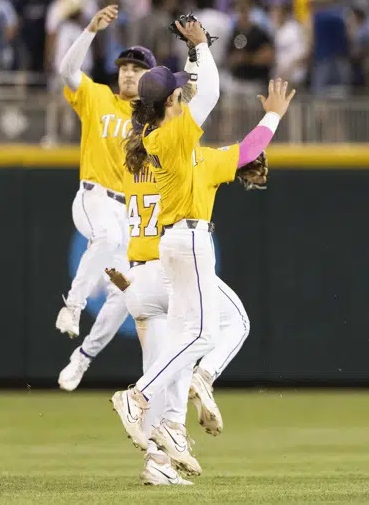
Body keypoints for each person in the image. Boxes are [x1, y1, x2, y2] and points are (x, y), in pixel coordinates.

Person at [111, 52, 293, 481]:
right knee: (206, 333)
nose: (185, 98)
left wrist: (244, 154)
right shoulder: (176, 142)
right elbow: (215, 103)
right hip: (184, 242)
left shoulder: (153, 147)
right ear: (173, 101)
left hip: (150, 261)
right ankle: (141, 397)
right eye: (179, 94)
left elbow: (242, 152)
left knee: (182, 346)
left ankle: (164, 443)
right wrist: (271, 117)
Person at [55, 4, 153, 391]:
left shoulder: (155, 118)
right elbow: (65, 71)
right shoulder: (97, 97)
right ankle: (73, 305)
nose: (129, 72)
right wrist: (91, 30)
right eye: (125, 67)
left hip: (127, 212)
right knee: (108, 239)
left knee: (125, 296)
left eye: (137, 69)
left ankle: (82, 358)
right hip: (93, 197)